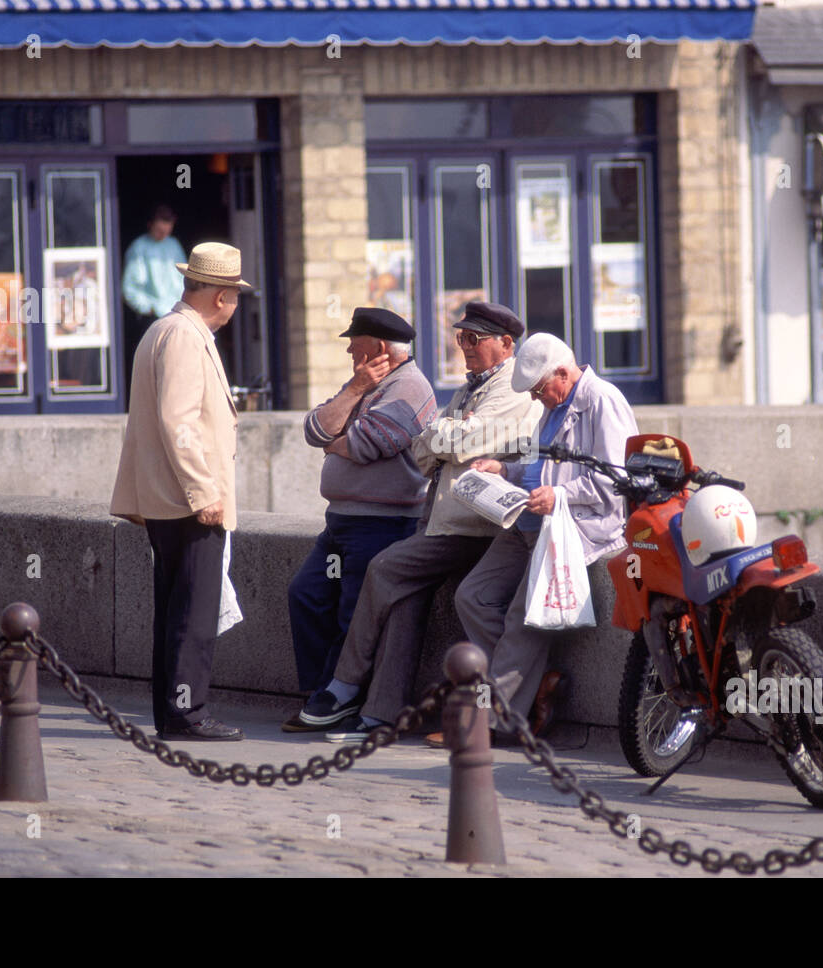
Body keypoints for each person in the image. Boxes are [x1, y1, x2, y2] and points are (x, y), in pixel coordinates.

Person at [285, 302, 542, 740]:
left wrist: (445, 438)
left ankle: (344, 689)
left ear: (505, 344)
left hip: (474, 525)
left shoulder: (510, 389)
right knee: (397, 601)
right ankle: (380, 715)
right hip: (438, 520)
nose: (464, 347)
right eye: (461, 337)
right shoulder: (468, 390)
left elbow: (433, 442)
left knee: (389, 569)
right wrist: (443, 437)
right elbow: (421, 448)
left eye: (473, 339)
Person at [451, 333, 639, 738]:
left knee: (522, 621)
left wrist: (560, 497)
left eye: (539, 390)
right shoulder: (553, 405)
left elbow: (615, 481)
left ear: (562, 373)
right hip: (527, 519)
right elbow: (539, 468)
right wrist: (504, 472)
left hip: (570, 527)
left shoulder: (602, 401)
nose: (537, 400)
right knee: (473, 596)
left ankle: (497, 721)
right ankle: (535, 684)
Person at [109, 242, 252, 741]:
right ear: (221, 296)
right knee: (193, 613)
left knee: (175, 609)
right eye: (235, 294)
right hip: (189, 500)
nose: (236, 305)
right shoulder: (187, 338)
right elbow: (179, 421)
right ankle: (187, 713)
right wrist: (204, 491)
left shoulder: (162, 330)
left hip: (166, 499)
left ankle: (173, 712)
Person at [283, 307, 437, 728]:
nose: (350, 348)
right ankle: (321, 692)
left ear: (379, 348)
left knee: (353, 609)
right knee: (308, 594)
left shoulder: (410, 387)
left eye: (356, 342)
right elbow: (315, 429)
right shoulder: (364, 384)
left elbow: (369, 443)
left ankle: (340, 699)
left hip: (381, 523)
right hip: (341, 522)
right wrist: (352, 390)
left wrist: (335, 437)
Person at [120, 205, 185, 404]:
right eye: (159, 230)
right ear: (150, 226)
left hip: (175, 313)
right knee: (152, 366)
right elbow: (129, 288)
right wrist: (147, 307)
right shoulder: (139, 248)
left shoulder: (174, 246)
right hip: (152, 316)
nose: (163, 234)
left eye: (167, 230)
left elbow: (184, 278)